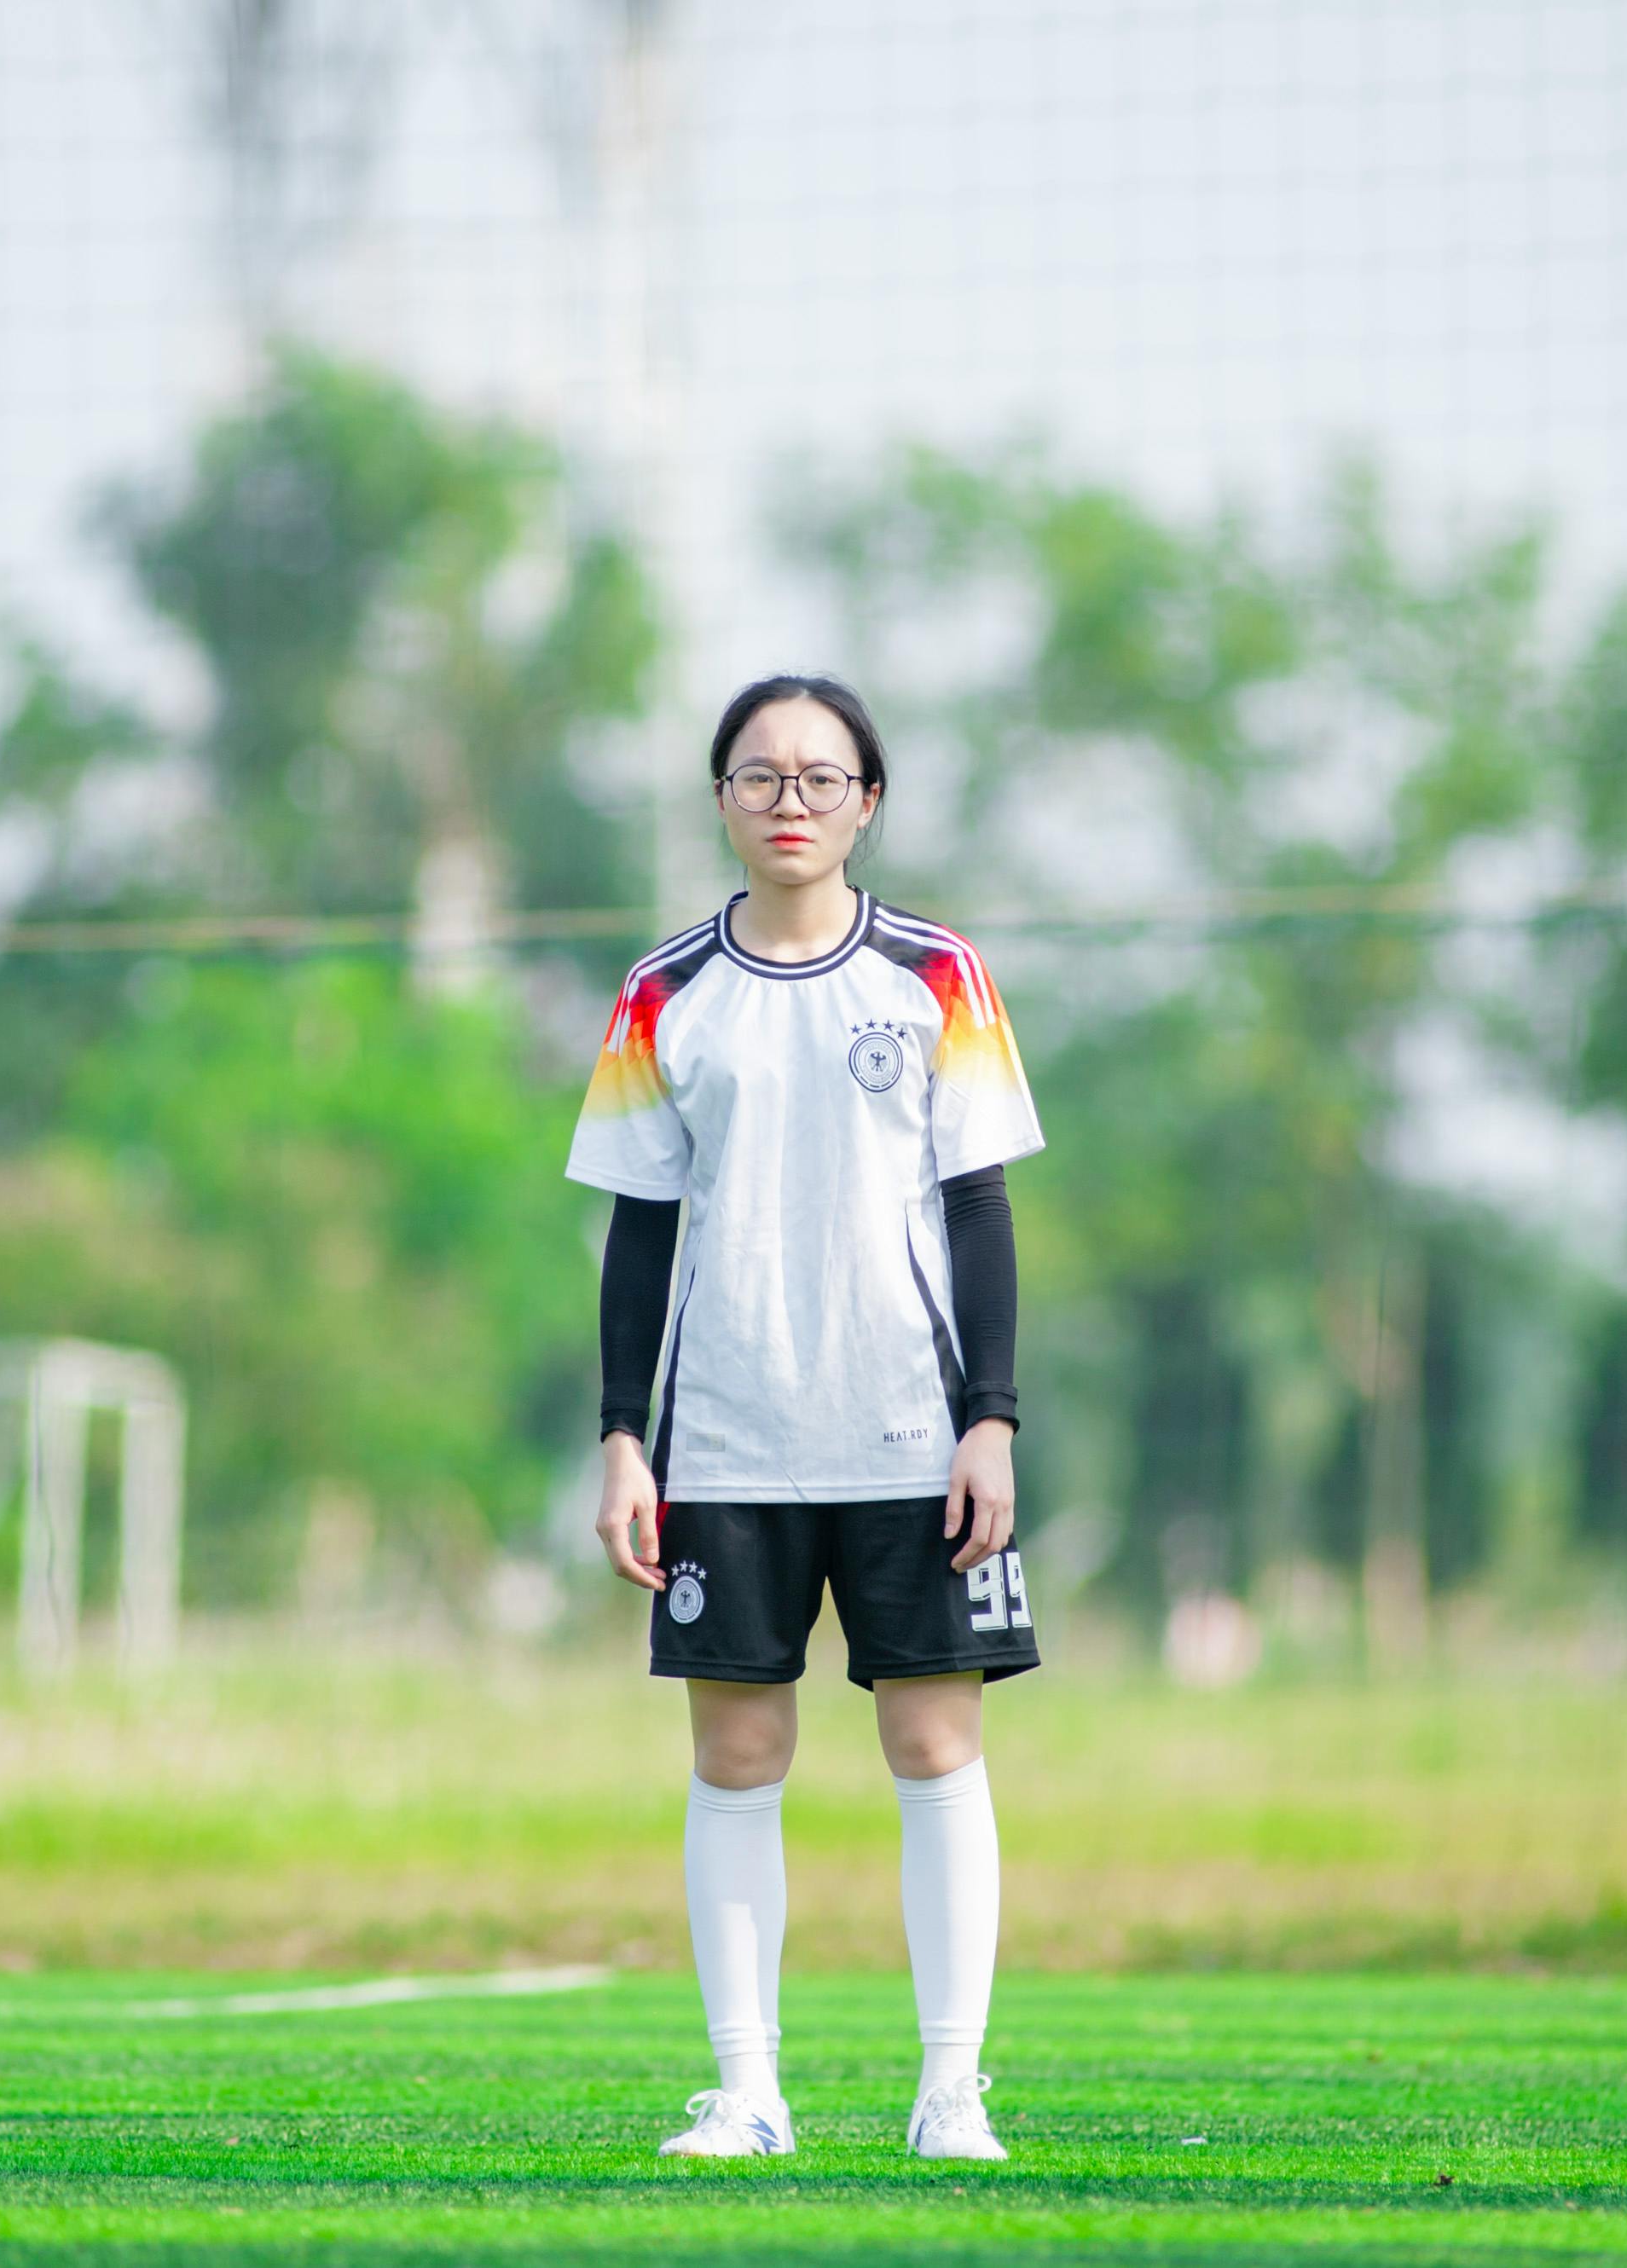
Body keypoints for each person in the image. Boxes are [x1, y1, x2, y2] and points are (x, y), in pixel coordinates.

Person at [566, 673, 1044, 2164]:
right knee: (736, 1762)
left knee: (932, 1750)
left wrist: (993, 1419)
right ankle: (747, 2091)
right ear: (720, 798)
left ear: (867, 803)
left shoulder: (936, 973)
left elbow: (979, 1207)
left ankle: (949, 2092)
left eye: (820, 779)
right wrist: (622, 1437)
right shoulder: (662, 990)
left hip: (912, 1439)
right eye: (760, 777)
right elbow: (640, 1232)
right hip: (726, 1440)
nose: (791, 802)